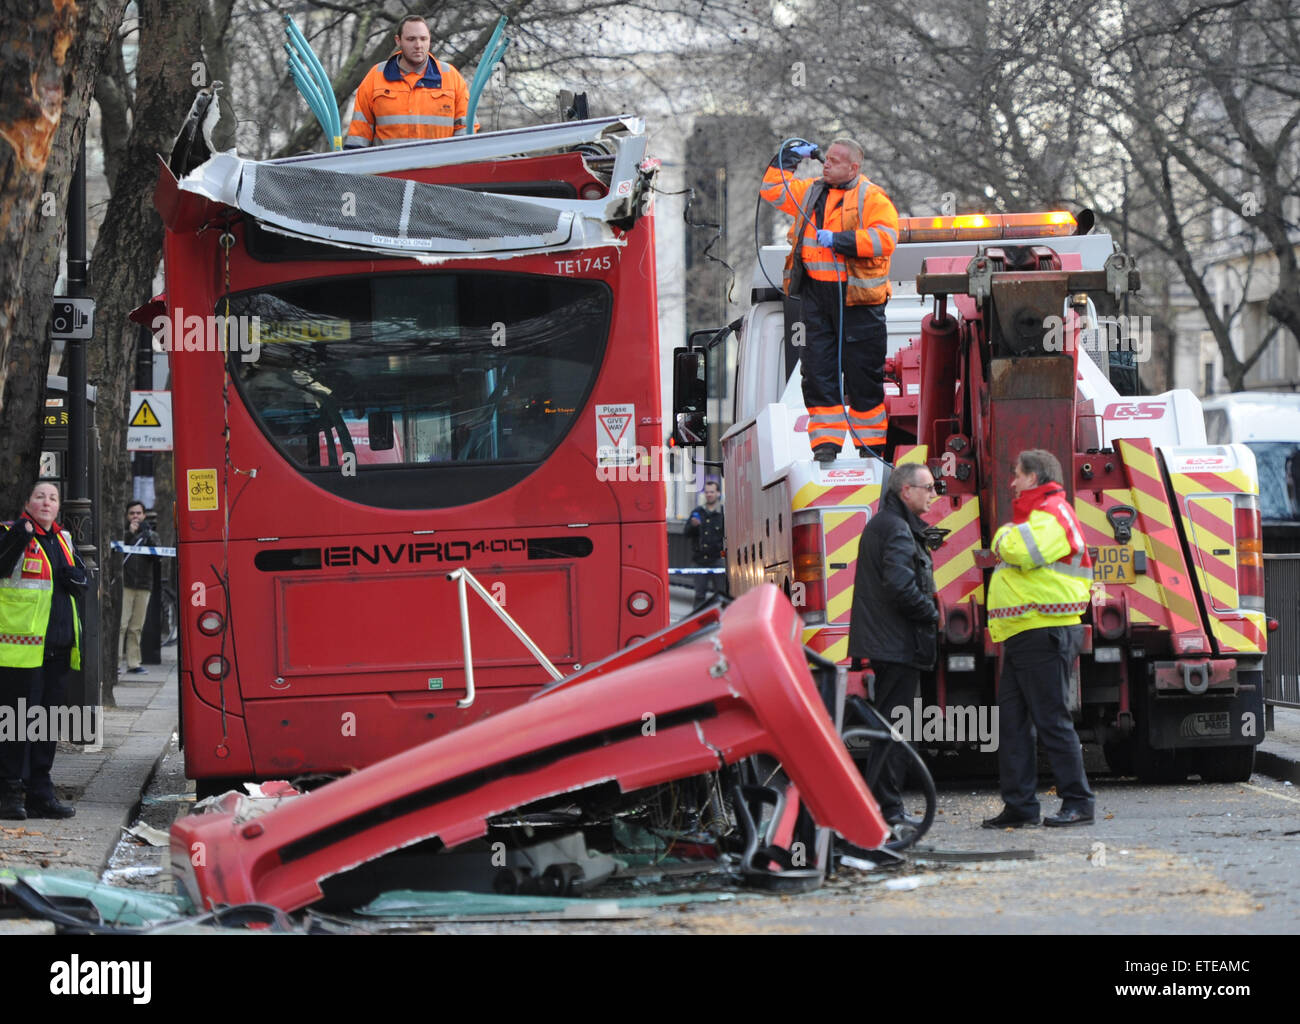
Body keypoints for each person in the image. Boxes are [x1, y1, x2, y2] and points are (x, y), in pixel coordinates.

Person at [760, 137, 899, 462]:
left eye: (835, 161)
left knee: (863, 378)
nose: (827, 163)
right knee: (818, 375)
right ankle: (825, 446)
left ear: (853, 167)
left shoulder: (871, 198)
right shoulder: (810, 192)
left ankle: (870, 448)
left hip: (860, 304)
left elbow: (886, 239)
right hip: (817, 300)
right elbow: (773, 189)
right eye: (827, 158)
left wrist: (841, 240)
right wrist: (788, 157)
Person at [982, 449, 1096, 829]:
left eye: (1016, 474)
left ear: (1033, 477)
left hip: (1043, 629)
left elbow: (1018, 549)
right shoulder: (1037, 515)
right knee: (1012, 724)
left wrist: (1001, 536)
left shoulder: (1052, 511)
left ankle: (1078, 802)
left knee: (1051, 720)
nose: (1012, 482)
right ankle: (1020, 805)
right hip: (1025, 631)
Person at [847, 463, 939, 828]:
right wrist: (930, 612)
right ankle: (888, 809)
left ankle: (880, 805)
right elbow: (900, 586)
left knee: (890, 727)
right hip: (898, 645)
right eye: (928, 487)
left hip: (889, 644)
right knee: (894, 729)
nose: (934, 494)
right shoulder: (898, 529)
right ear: (906, 491)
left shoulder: (886, 524)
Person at [0, 481, 87, 820]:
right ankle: (9, 793)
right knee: (16, 724)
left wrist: (75, 577)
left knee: (46, 724)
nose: (47, 502)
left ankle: (40, 791)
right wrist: (19, 536)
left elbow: (82, 581)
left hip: (59, 647)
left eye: (52, 497)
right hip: (21, 650)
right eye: (40, 496)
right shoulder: (11, 532)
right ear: (28, 502)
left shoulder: (63, 540)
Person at [345, 14, 470, 148]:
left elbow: (466, 130)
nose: (418, 45)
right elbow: (359, 133)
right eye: (411, 39)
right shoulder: (376, 77)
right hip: (390, 167)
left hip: (440, 167)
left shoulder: (451, 77)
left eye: (423, 39)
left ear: (430, 39)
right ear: (398, 41)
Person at [120, 501, 159, 675]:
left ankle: (133, 663)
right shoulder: (122, 533)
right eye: (131, 513)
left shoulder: (150, 534)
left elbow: (157, 555)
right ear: (127, 516)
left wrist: (145, 533)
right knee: (121, 625)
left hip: (143, 585)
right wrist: (129, 535)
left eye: (138, 513)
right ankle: (116, 663)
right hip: (126, 584)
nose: (135, 516)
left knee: (136, 627)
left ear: (143, 515)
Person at [685, 480, 725, 610]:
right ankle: (696, 623)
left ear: (718, 493)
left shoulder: (723, 513)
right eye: (707, 492)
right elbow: (686, 533)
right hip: (700, 560)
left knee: (721, 594)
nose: (709, 495)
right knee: (699, 595)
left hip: (718, 560)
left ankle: (723, 621)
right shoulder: (698, 512)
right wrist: (693, 525)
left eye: (712, 492)